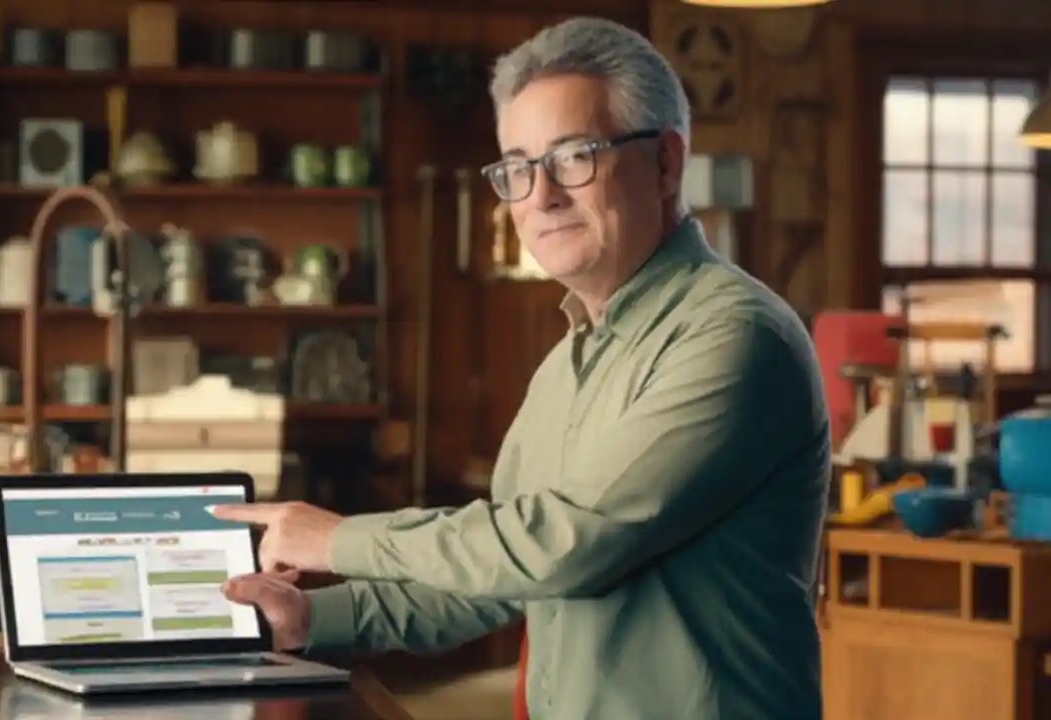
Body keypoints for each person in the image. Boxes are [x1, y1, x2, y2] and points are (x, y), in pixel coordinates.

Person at [213, 16, 830, 720]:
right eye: (517, 168)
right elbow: (501, 578)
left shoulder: (734, 336)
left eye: (574, 157)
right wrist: (307, 618)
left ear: (665, 164)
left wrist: (339, 539)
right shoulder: (570, 357)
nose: (540, 197)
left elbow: (560, 547)